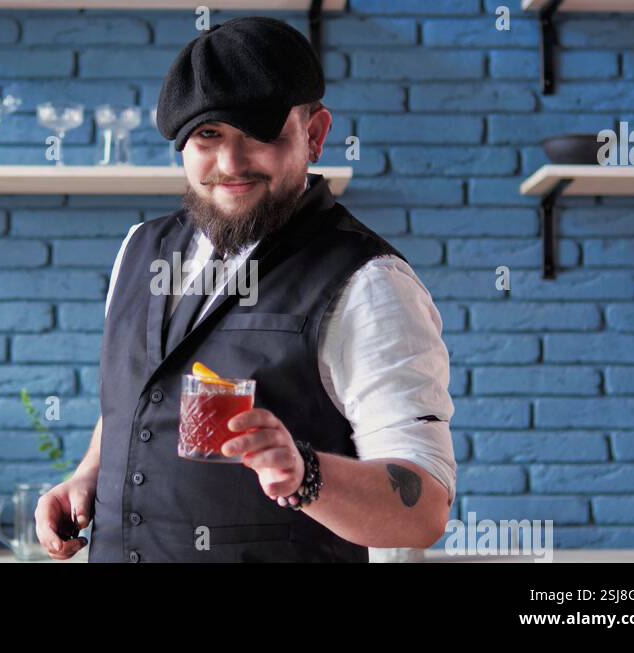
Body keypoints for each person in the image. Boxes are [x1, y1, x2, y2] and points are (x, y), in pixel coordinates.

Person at [36, 16, 456, 563]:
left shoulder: (370, 283)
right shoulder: (139, 250)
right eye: (208, 136)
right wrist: (89, 475)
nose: (231, 164)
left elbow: (423, 513)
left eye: (260, 135)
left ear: (316, 134)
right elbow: (141, 397)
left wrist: (305, 475)